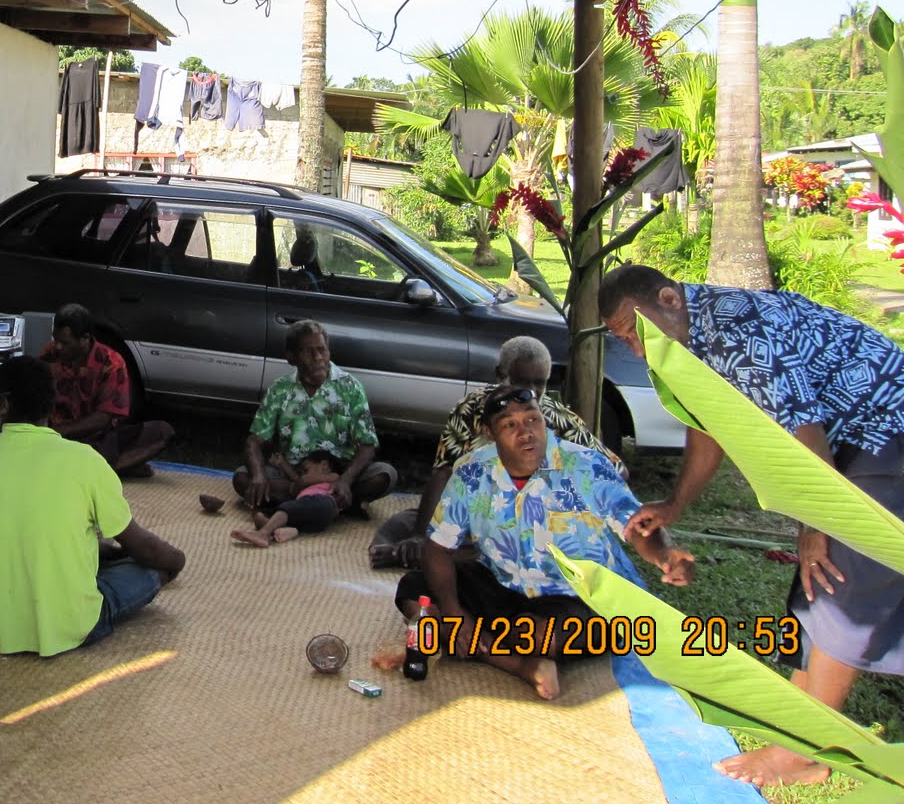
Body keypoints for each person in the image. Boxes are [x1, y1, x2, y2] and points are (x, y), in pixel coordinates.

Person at [600, 263, 904, 788]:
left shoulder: (741, 338)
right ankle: (800, 732)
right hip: (854, 439)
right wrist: (675, 505)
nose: (635, 349)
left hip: (889, 430)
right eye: (623, 340)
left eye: (635, 331)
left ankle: (803, 752)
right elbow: (708, 428)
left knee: (837, 579)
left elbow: (804, 436)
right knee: (814, 588)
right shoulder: (688, 334)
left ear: (669, 299)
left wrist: (815, 525)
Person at [396, 384, 694, 701]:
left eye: (532, 420)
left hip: (574, 597)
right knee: (414, 590)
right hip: (504, 585)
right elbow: (437, 547)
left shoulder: (586, 466)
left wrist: (664, 555)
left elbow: (638, 526)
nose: (526, 433)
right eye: (510, 424)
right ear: (490, 433)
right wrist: (455, 611)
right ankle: (518, 664)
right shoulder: (472, 472)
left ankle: (475, 643)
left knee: (543, 634)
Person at [0, 357, 185, 656]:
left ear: (2, 405)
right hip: (72, 625)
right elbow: (140, 545)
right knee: (148, 569)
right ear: (52, 405)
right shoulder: (85, 459)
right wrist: (176, 561)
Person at [369, 336, 623, 569]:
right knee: (407, 520)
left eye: (540, 383)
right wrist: (420, 534)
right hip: (473, 510)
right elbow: (444, 472)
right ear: (501, 374)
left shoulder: (560, 419)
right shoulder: (470, 409)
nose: (532, 391)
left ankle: (422, 555)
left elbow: (618, 470)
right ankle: (418, 549)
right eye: (523, 381)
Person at [234, 320, 397, 513]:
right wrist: (259, 476)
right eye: (308, 351)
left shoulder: (350, 387)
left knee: (385, 475)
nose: (318, 357)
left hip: (338, 474)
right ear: (291, 357)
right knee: (242, 478)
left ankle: (305, 501)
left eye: (322, 349)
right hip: (293, 475)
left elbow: (367, 446)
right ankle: (334, 504)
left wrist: (345, 480)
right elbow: (254, 441)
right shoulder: (280, 389)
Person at [40, 304, 173, 477]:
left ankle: (102, 466)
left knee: (162, 431)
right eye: (55, 340)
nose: (57, 347)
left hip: (98, 438)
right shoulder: (50, 355)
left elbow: (103, 418)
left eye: (64, 343)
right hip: (57, 438)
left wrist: (59, 432)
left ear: (85, 338)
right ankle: (117, 467)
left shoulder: (111, 362)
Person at [231, 451, 341, 548]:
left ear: (324, 465)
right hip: (305, 515)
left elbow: (300, 481)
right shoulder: (306, 485)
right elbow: (298, 483)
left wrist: (287, 468)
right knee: (258, 514)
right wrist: (283, 463)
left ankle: (263, 534)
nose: (303, 474)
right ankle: (286, 531)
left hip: (323, 504)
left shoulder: (333, 476)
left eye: (306, 470)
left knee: (286, 509)